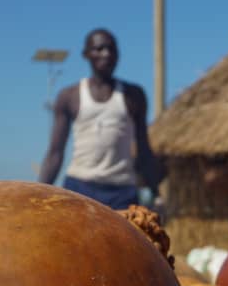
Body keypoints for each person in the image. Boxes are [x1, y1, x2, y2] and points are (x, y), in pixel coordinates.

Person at [39, 28, 164, 209]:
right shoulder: (70, 96)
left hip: (122, 192)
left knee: (125, 238)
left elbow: (143, 149)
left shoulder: (133, 96)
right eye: (99, 49)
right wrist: (39, 191)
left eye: (111, 49)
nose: (106, 54)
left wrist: (156, 193)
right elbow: (55, 152)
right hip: (79, 187)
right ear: (86, 54)